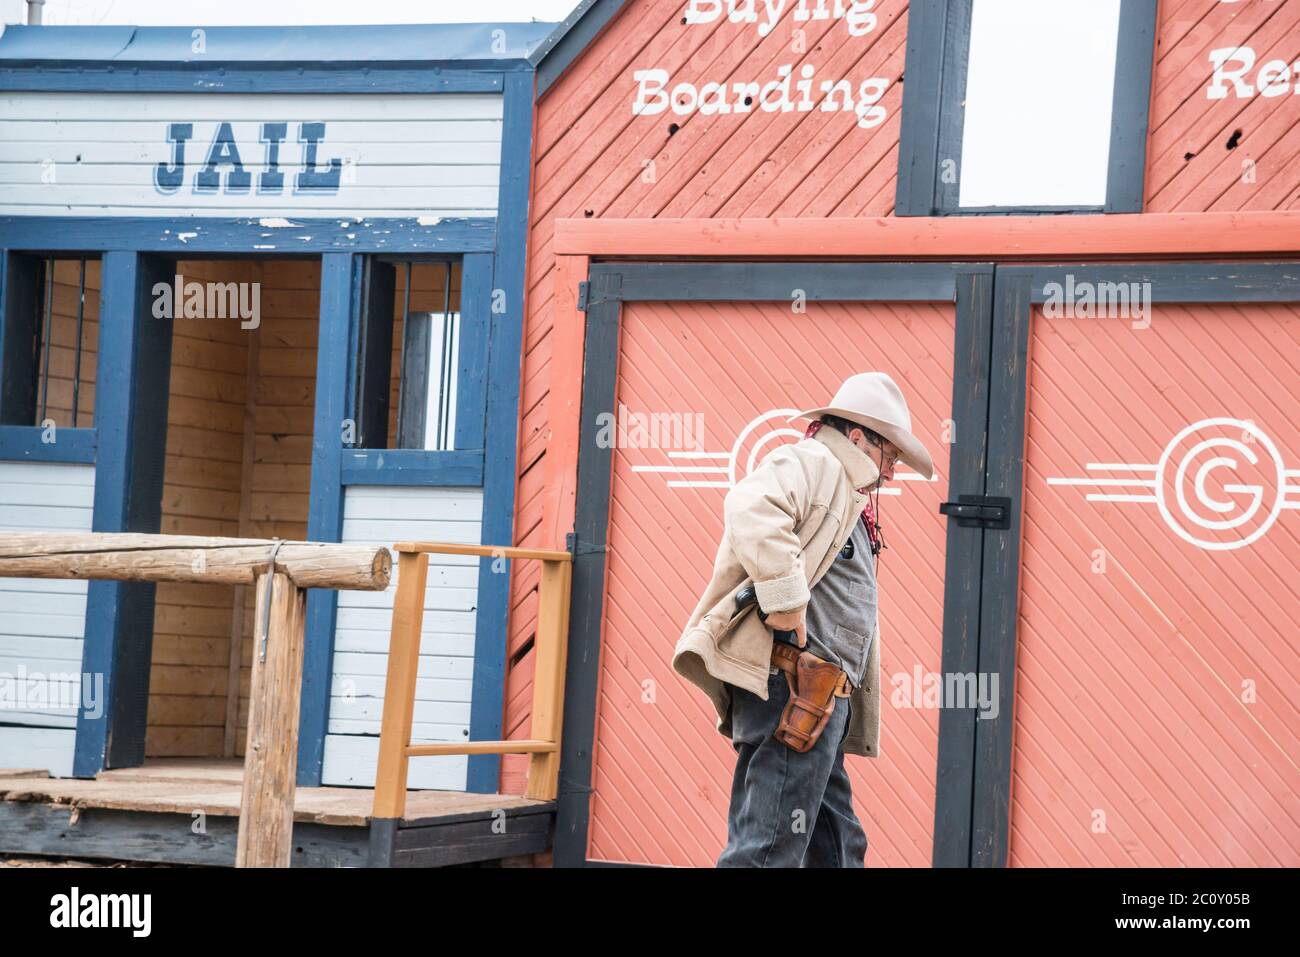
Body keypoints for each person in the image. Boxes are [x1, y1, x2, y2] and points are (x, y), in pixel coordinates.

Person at [671, 371, 936, 867]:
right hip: (793, 691)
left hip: (815, 698)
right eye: (890, 456)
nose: (892, 473)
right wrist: (788, 609)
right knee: (768, 847)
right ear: (858, 437)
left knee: (835, 847)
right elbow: (752, 508)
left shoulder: (840, 484)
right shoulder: (813, 461)